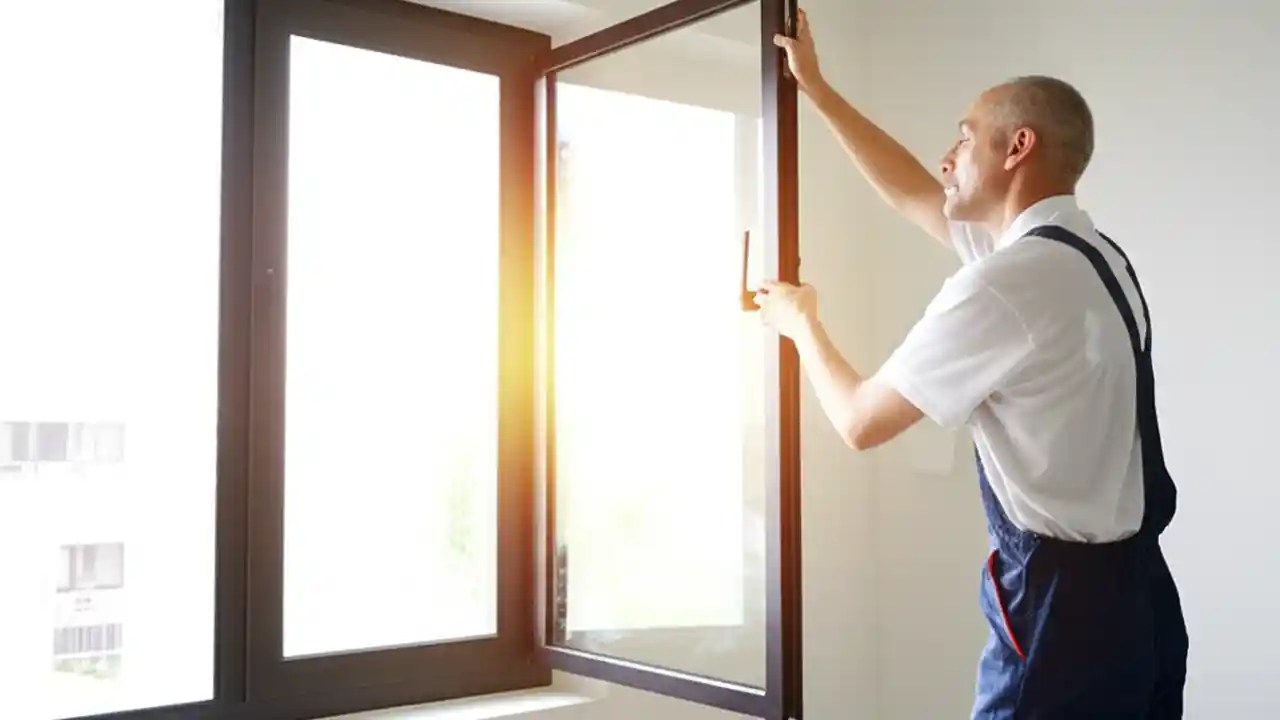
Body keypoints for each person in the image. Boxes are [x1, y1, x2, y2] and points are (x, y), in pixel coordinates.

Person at [757, 8, 1189, 718]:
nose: (946, 158)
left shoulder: (1005, 285)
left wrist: (801, 323)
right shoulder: (1090, 255)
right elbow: (912, 194)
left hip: (1060, 614)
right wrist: (820, 91)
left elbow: (860, 421)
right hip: (1138, 599)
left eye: (963, 139)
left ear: (1018, 147)